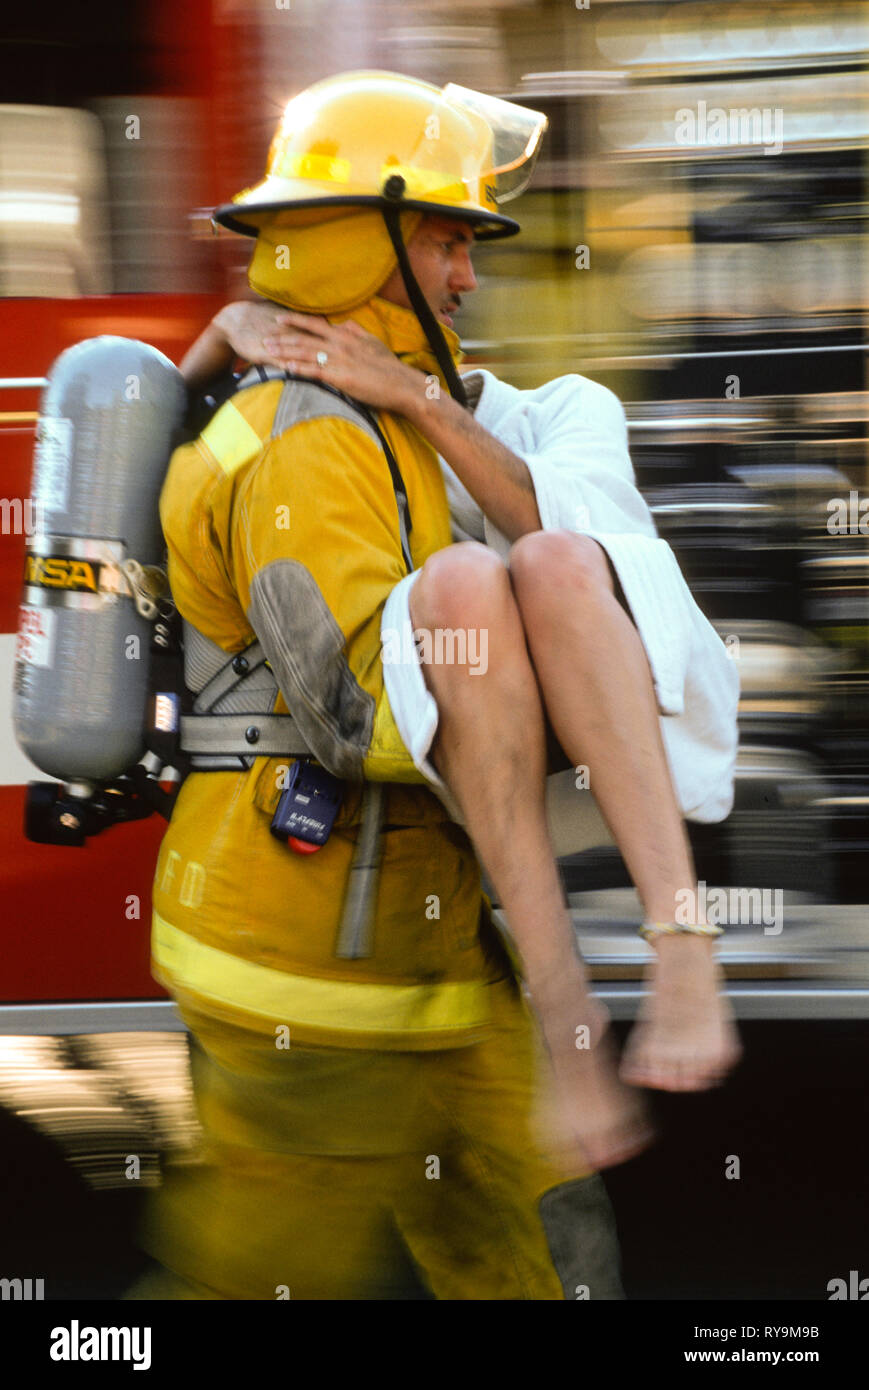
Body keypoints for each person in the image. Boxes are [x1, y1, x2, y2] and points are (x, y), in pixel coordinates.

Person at [132, 70, 738, 1302]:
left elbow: (561, 537)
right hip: (298, 986)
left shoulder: (425, 415)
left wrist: (528, 651)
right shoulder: (298, 436)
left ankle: (645, 983)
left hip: (442, 958)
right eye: (448, 241)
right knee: (247, 1283)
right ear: (369, 239)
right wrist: (521, 690)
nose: (469, 276)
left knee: (542, 1248)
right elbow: (355, 719)